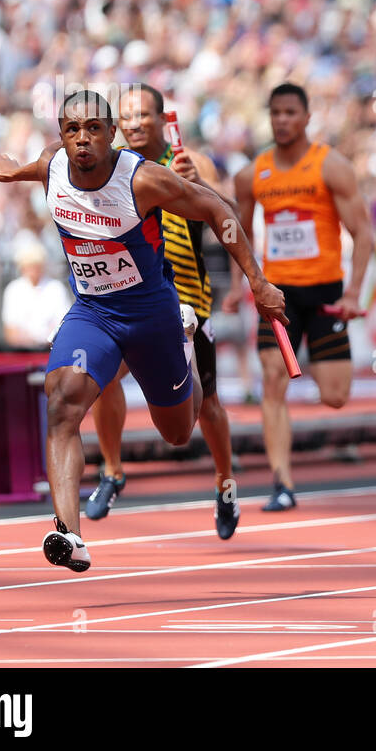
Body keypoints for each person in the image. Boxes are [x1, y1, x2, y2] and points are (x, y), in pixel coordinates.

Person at [0, 90, 286, 573]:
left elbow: (218, 212)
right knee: (62, 403)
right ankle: (69, 533)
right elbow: (36, 167)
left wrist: (258, 281)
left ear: (111, 134)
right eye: (72, 130)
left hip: (153, 318)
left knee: (178, 433)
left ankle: (187, 357)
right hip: (94, 313)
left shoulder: (143, 179)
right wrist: (13, 171)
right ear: (60, 133)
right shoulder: (53, 165)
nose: (82, 140)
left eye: (93, 129)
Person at [84, 83, 242, 538]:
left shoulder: (188, 162)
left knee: (206, 407)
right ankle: (112, 472)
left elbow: (229, 218)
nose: (134, 124)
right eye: (126, 117)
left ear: (162, 118)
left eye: (142, 116)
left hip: (187, 301)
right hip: (127, 298)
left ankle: (225, 483)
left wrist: (200, 185)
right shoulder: (112, 166)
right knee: (102, 379)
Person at [226, 83, 375, 512]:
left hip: (327, 293)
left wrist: (352, 293)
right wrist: (241, 283)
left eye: (290, 112)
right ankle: (282, 483)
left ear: (307, 117)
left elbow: (363, 233)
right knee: (272, 381)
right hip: (278, 295)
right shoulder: (253, 174)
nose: (282, 120)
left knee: (335, 395)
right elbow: (241, 231)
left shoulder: (331, 167)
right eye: (275, 113)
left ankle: (314, 359)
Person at [1, 242, 72, 349]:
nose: (32, 270)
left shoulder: (57, 288)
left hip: (50, 351)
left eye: (36, 265)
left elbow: (63, 326)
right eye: (28, 265)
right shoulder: (13, 289)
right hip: (22, 353)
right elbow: (10, 332)